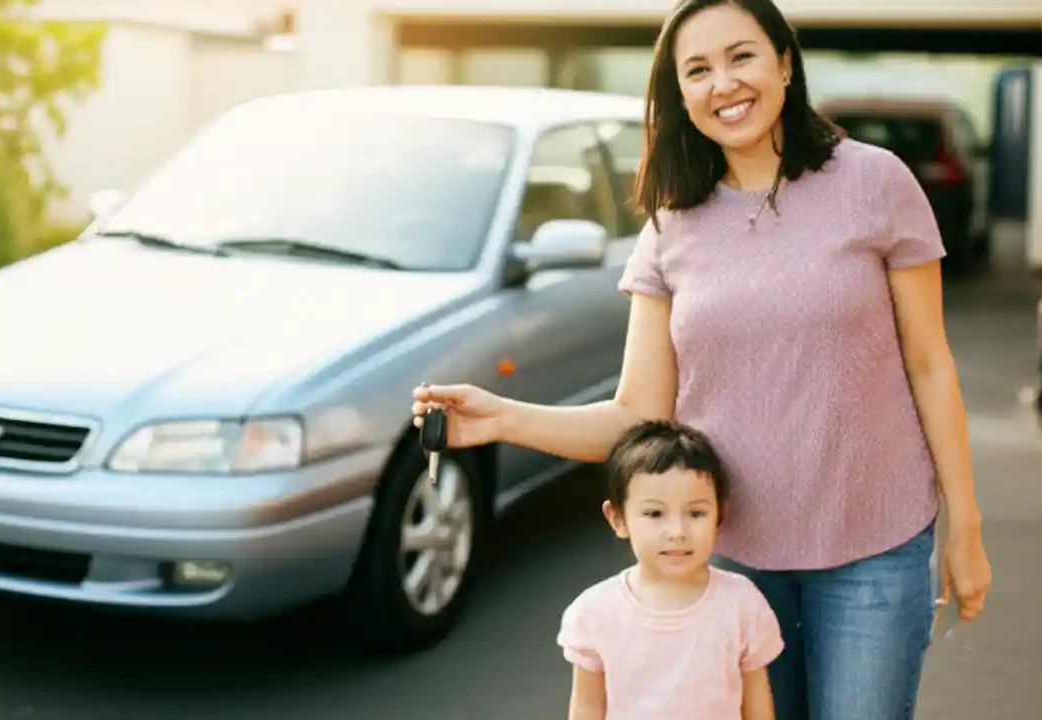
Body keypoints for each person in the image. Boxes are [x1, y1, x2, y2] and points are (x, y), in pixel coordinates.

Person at [412, 0, 993, 717]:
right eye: (698, 69)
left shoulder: (875, 183)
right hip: (735, 561)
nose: (724, 83)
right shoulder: (670, 227)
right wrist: (500, 418)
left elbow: (930, 367)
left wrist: (964, 527)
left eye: (742, 56)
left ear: (785, 62)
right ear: (681, 96)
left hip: (873, 549)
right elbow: (637, 416)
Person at [558, 420, 782, 720]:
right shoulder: (593, 614)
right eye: (654, 513)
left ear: (720, 513)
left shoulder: (742, 605)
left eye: (695, 513)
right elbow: (586, 710)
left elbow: (757, 709)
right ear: (618, 518)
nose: (677, 531)